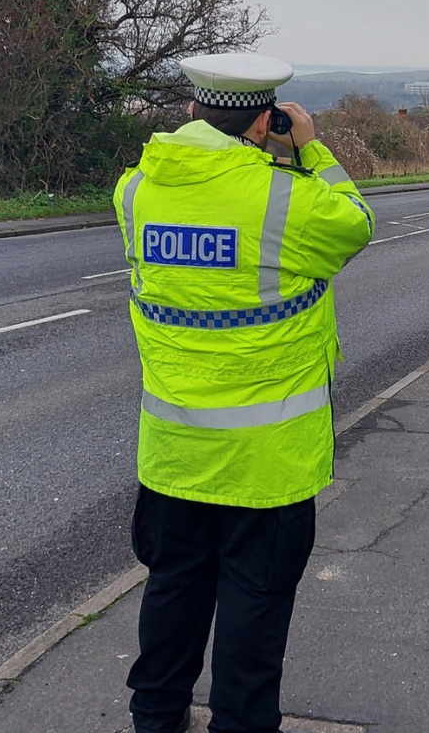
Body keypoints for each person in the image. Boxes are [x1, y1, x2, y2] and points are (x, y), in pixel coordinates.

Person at [113, 52, 375, 733]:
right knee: (254, 605)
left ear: (193, 111)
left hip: (174, 453)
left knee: (173, 589)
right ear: (264, 124)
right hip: (266, 462)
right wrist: (310, 148)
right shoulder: (288, 199)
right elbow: (356, 222)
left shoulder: (136, 191)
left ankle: (155, 717)